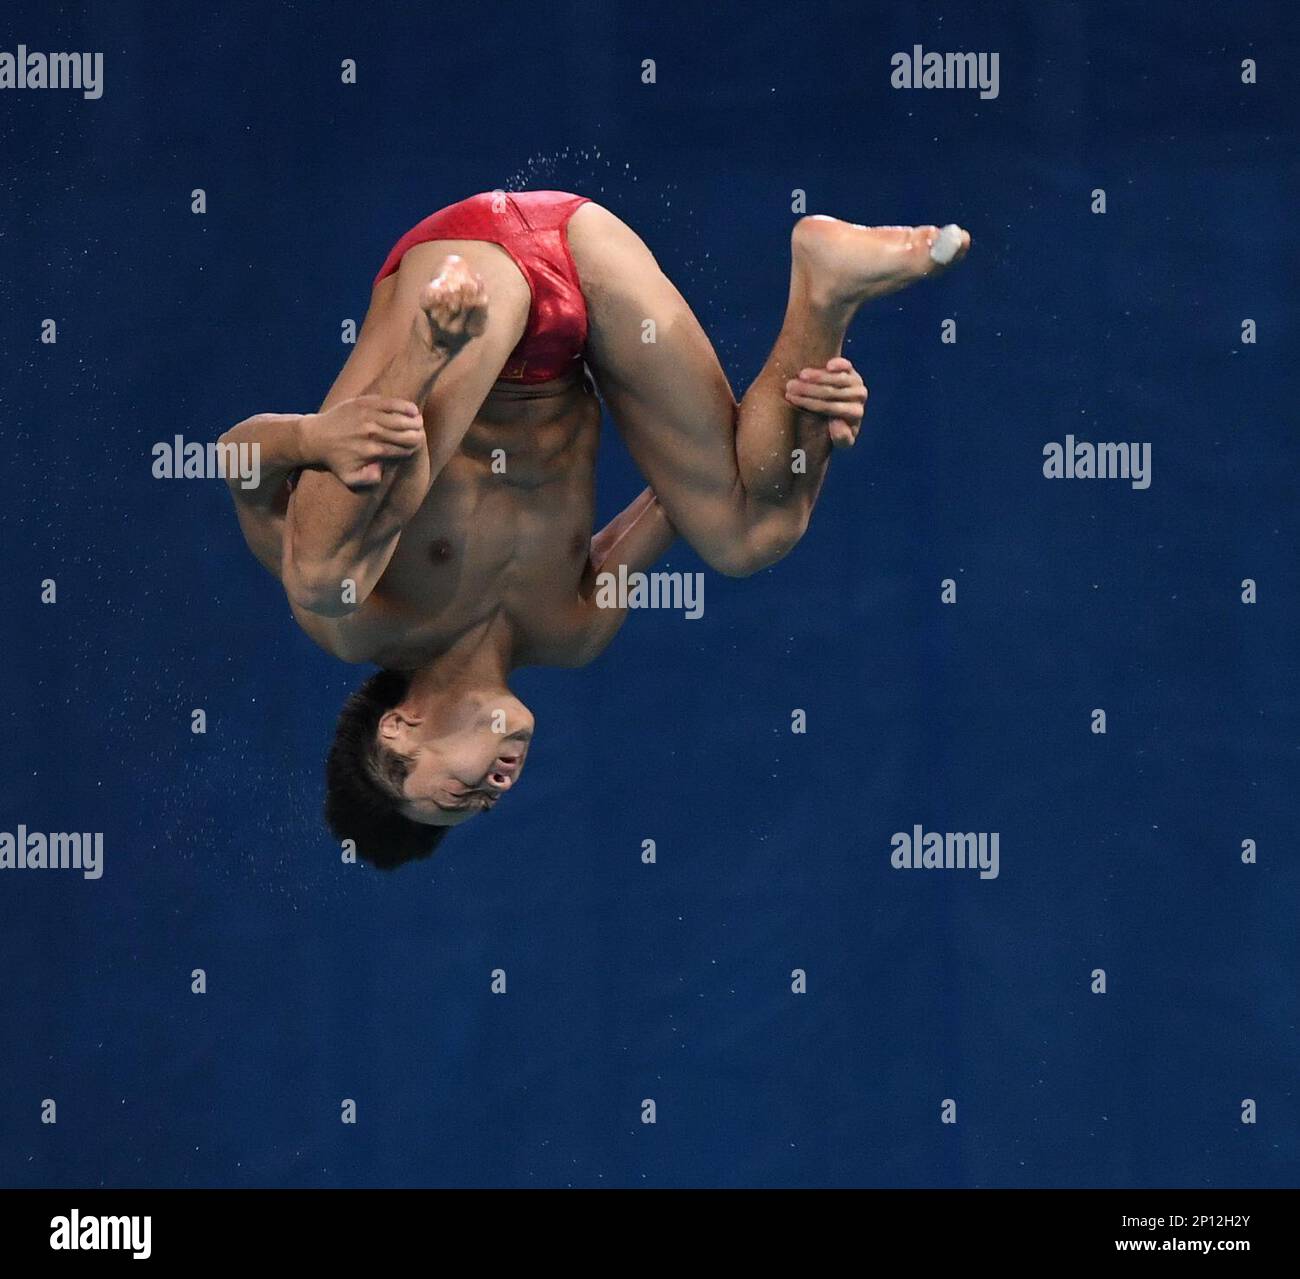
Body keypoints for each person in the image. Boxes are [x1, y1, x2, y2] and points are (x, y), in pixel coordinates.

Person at [221, 191, 969, 868]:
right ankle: (826, 294)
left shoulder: (360, 627)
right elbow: (688, 497)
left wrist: (311, 441)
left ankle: (418, 359)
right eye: (485, 804)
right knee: (749, 536)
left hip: (472, 286)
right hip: (587, 262)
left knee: (318, 576)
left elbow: (239, 461)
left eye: (457, 793)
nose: (494, 789)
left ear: (400, 729)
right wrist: (810, 432)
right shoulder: (575, 629)